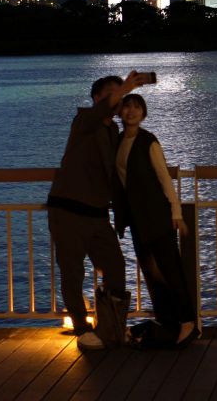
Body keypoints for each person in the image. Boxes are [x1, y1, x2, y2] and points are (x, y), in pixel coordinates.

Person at [47, 71, 152, 350]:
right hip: (68, 210)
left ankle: (109, 327)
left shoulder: (113, 131)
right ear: (97, 98)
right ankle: (82, 329)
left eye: (121, 95)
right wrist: (126, 87)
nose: (118, 100)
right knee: (72, 272)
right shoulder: (84, 120)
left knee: (115, 267)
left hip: (97, 213)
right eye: (111, 94)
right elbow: (99, 112)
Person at [113, 93, 199, 347]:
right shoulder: (118, 141)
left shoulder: (148, 141)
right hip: (137, 218)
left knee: (171, 271)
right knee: (152, 272)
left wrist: (176, 213)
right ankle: (166, 321)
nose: (131, 111)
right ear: (120, 112)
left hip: (157, 216)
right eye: (127, 107)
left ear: (144, 113)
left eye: (137, 107)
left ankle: (188, 322)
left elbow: (164, 178)